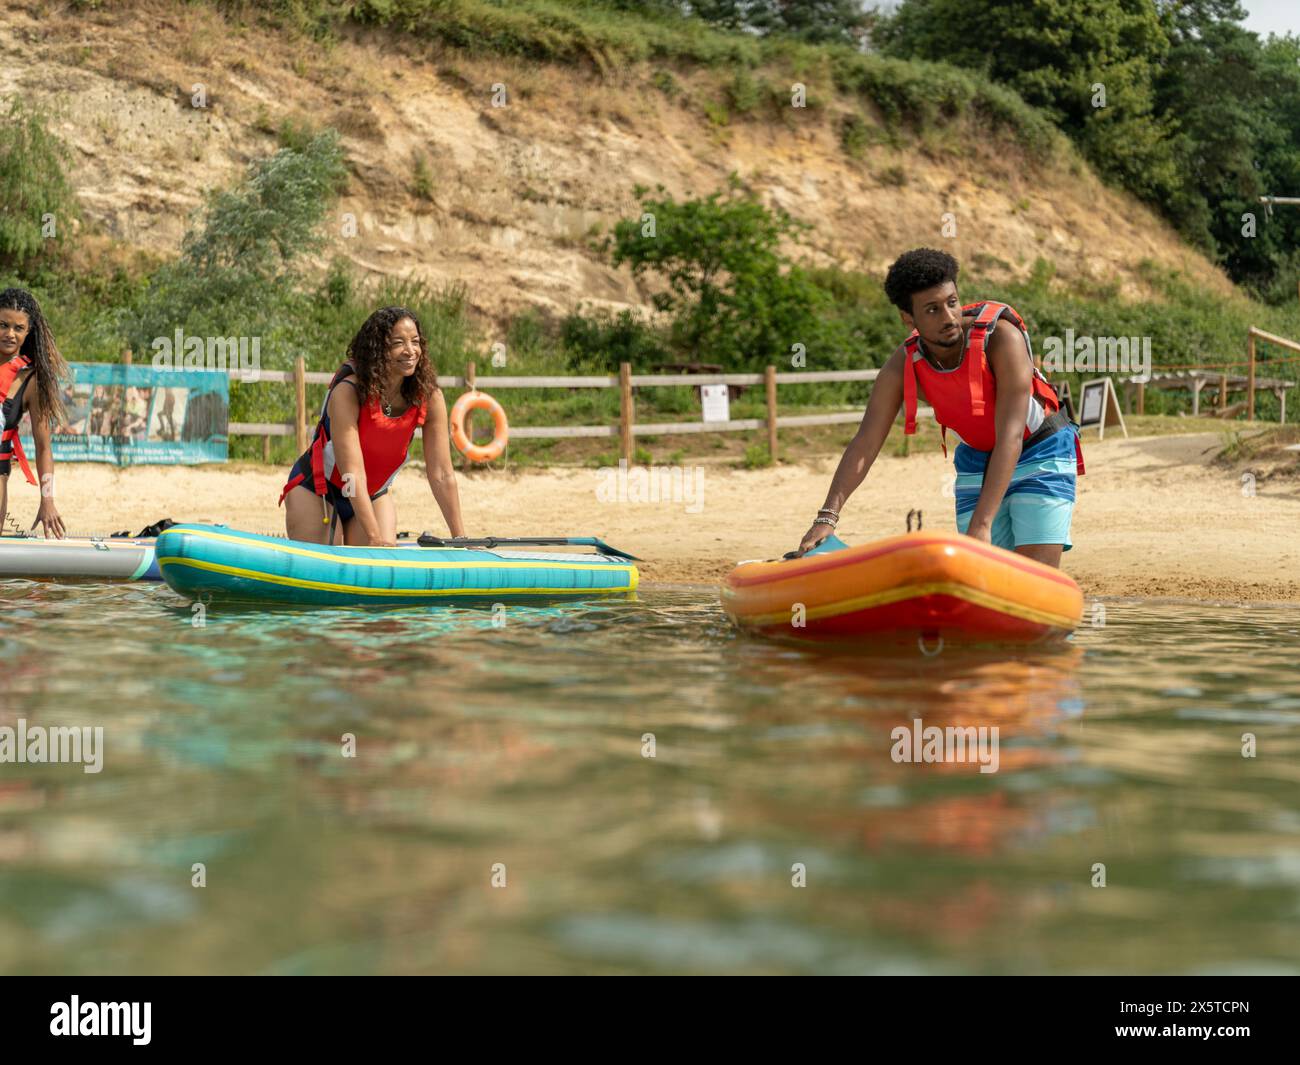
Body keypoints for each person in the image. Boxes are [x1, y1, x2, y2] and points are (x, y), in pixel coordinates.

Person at [798, 248, 1081, 566]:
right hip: (977, 459)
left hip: (1040, 448)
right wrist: (827, 517)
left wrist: (981, 524)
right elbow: (866, 442)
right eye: (932, 310)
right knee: (984, 575)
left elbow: (1011, 436)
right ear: (909, 319)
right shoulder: (903, 366)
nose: (948, 318)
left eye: (951, 302)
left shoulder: (1002, 340)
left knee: (1033, 576)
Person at [280, 306, 466, 546]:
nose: (410, 351)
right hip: (319, 490)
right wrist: (374, 537)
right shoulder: (348, 392)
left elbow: (442, 474)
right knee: (338, 559)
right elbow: (352, 473)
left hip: (373, 494)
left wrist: (460, 538)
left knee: (379, 562)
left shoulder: (430, 397)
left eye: (415, 342)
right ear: (377, 349)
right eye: (398, 343)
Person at [0, 288, 68, 538]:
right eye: (3, 325)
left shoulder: (31, 381)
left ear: (28, 332)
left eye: (18, 328)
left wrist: (47, 500)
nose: (10, 334)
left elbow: (43, 447)